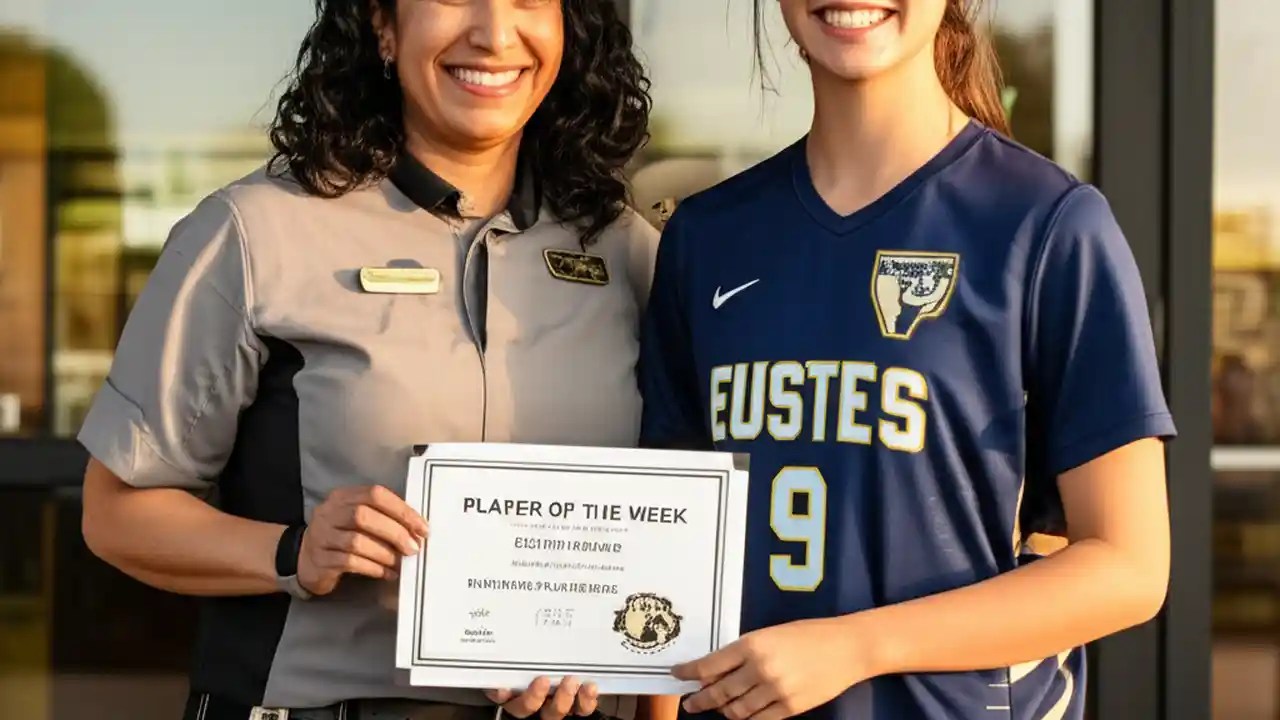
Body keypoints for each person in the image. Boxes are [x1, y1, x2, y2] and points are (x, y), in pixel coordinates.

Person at [77, 1, 663, 719]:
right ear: (383, 25)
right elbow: (117, 512)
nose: (493, 33)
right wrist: (293, 552)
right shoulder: (255, 233)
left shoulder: (628, 253)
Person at [638, 2, 1177, 719]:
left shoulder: (1049, 223)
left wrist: (856, 646)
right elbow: (669, 547)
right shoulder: (706, 238)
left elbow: (1129, 567)